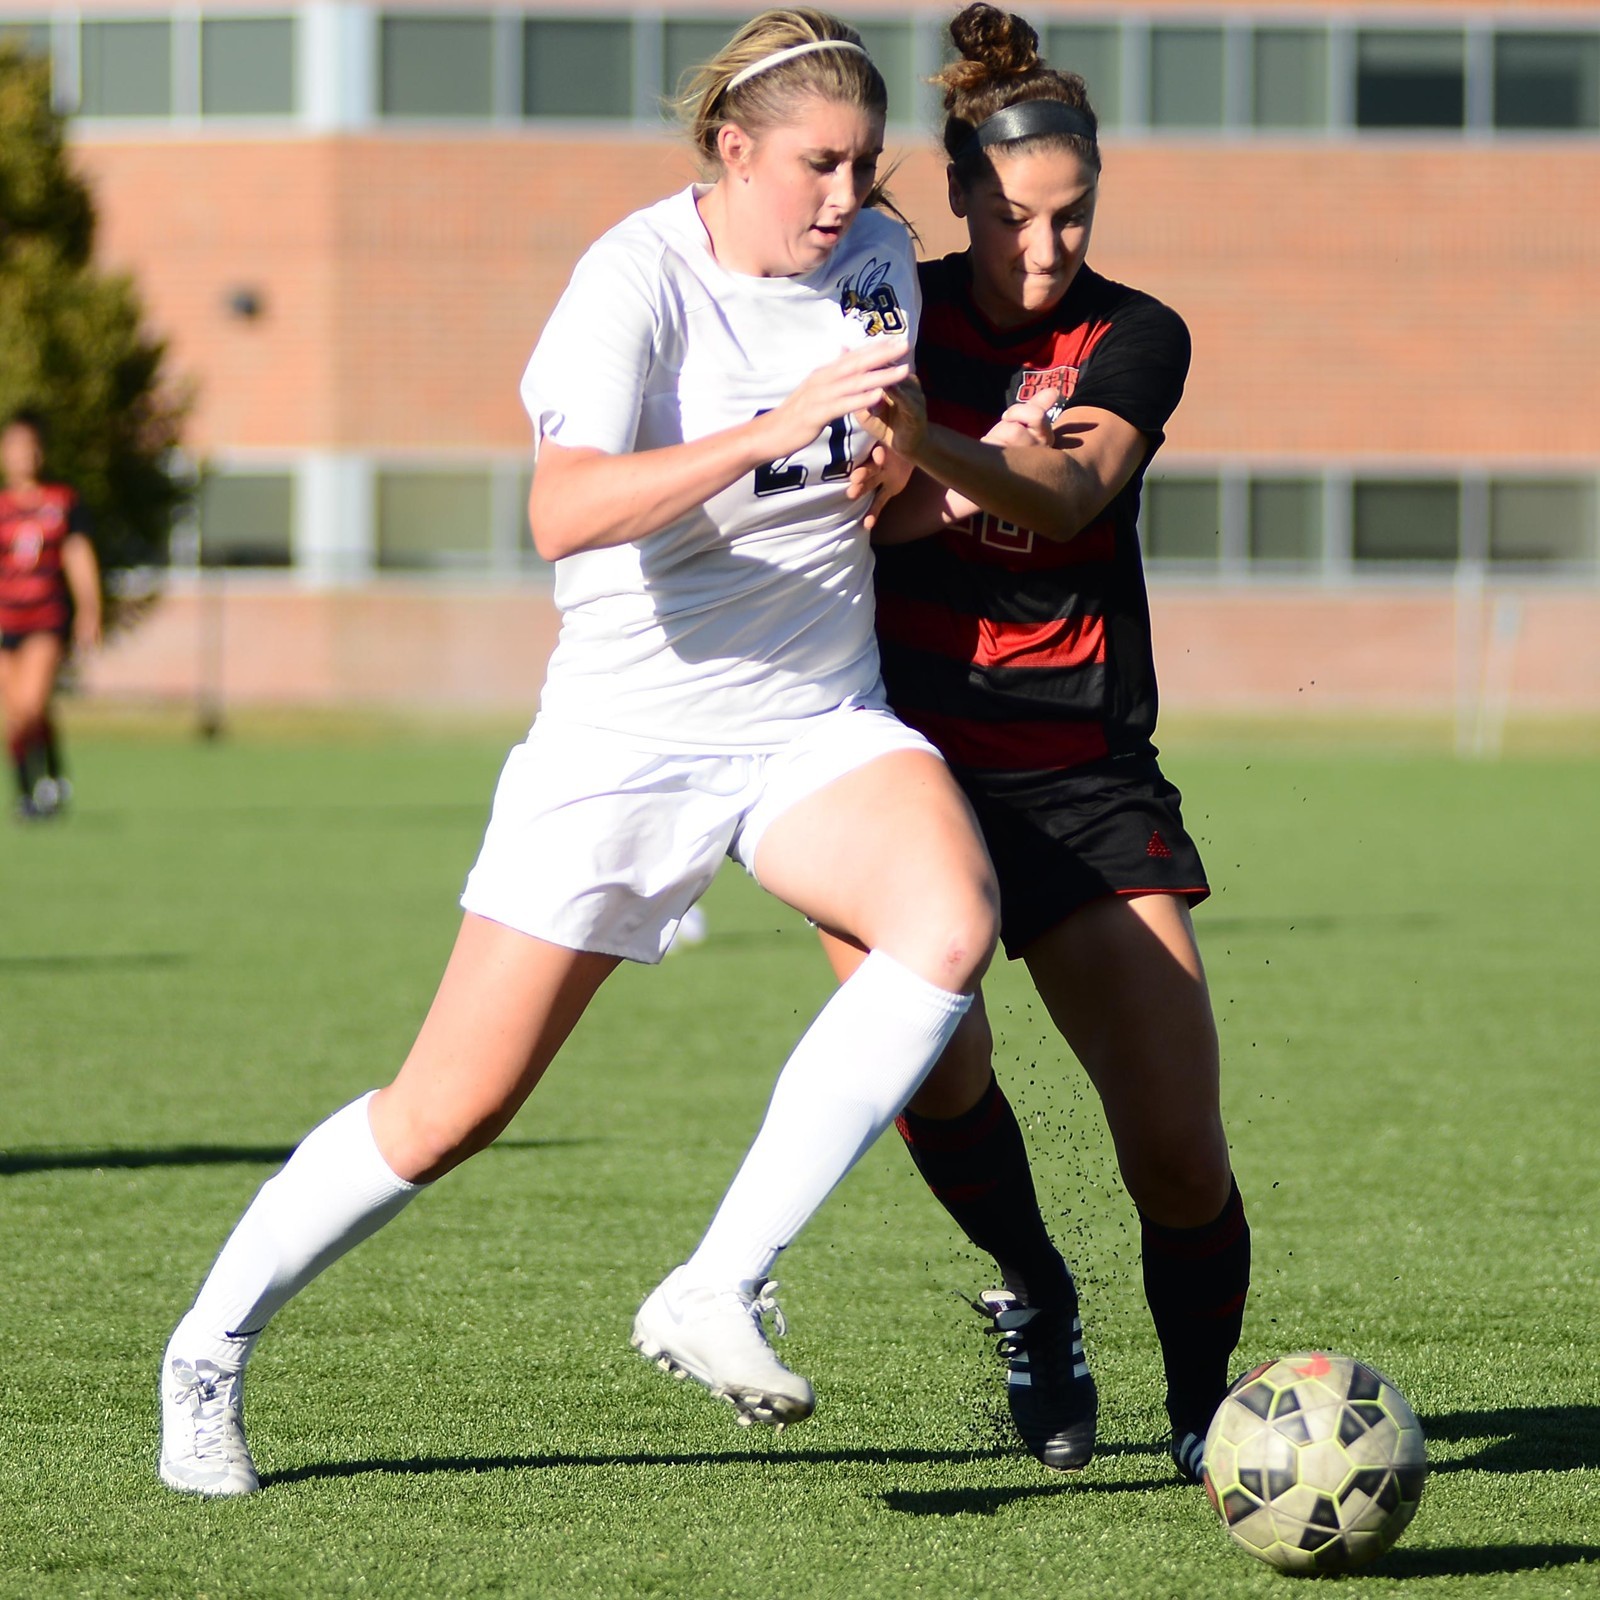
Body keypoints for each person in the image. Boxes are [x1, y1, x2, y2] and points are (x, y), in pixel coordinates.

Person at [157, 8, 1000, 1499]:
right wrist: (767, 426)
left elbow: (854, 490)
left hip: (814, 720)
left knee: (947, 926)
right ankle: (209, 1349)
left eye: (866, 166)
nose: (847, 196)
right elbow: (563, 515)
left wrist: (920, 456)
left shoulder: (868, 263)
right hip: (628, 740)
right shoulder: (631, 283)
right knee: (452, 1110)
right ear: (730, 151)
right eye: (815, 162)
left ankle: (717, 1283)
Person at [829, 2, 1251, 1484]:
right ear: (960, 200)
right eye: (1018, 218)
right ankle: (1039, 1292)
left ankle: (1209, 1421)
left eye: (1075, 216)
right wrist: (891, 481)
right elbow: (811, 521)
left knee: (1179, 1147)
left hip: (1079, 773)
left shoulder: (1137, 332)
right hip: (893, 767)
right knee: (931, 1071)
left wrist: (923, 451)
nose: (1050, 247)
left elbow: (1070, 495)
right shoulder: (886, 317)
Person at [0, 409, 102, 820]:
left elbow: (78, 556)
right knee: (17, 714)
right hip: (5, 622)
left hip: (44, 619)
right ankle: (31, 791)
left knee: (29, 704)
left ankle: (49, 778)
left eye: (29, 447)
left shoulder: (62, 502)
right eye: (14, 447)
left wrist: (90, 609)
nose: (23, 455)